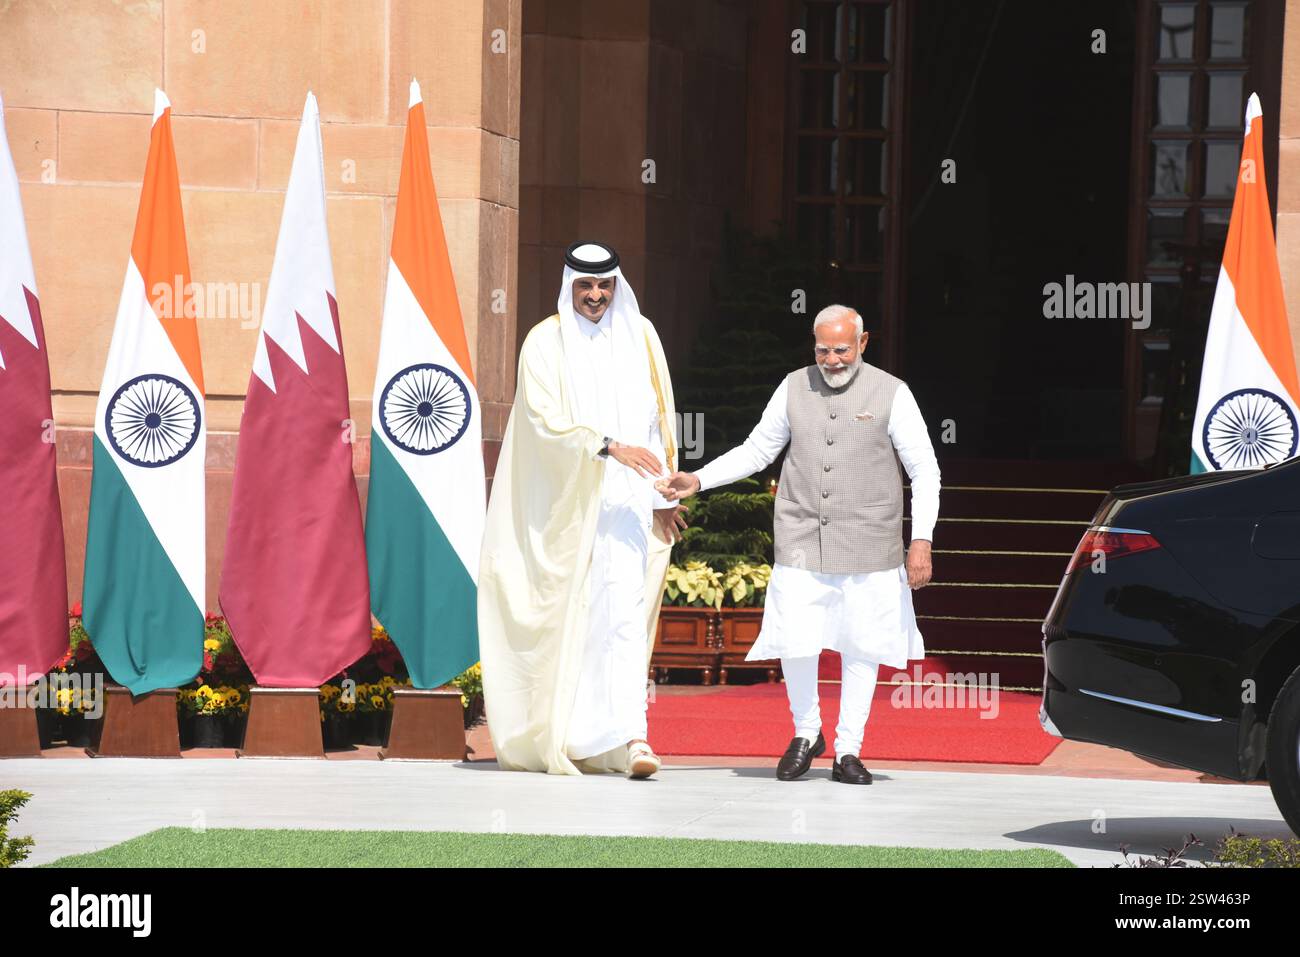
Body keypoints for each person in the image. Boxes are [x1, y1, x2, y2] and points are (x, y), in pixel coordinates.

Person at [656, 304, 940, 785]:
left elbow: (925, 471)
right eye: (823, 349)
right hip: (801, 535)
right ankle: (807, 732)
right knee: (796, 637)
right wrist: (697, 479)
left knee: (863, 644)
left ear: (863, 343)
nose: (832, 360)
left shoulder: (894, 392)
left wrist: (921, 541)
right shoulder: (792, 386)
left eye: (842, 350)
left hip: (870, 540)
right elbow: (758, 449)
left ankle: (849, 749)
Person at [478, 241, 687, 778]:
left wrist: (663, 495)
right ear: (570, 284)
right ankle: (569, 737)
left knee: (622, 617)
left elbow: (659, 421)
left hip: (629, 506)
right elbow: (540, 419)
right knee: (576, 619)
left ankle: (631, 738)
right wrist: (606, 445)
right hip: (566, 507)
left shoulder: (642, 336)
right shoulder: (545, 342)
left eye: (604, 286)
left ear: (617, 285)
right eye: (585, 286)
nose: (595, 296)